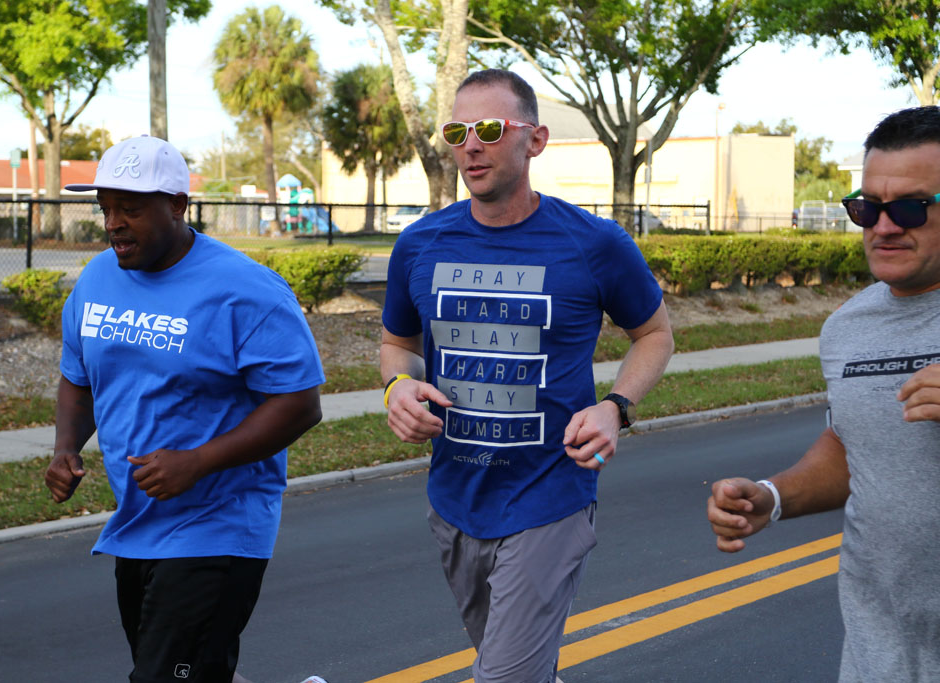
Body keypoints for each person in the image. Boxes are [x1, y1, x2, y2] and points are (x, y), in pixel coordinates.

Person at [380, 69, 674, 682]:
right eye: (457, 131)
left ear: (534, 140)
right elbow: (396, 343)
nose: (470, 145)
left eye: (489, 128)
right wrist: (397, 386)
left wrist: (615, 406)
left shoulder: (593, 243)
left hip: (550, 496)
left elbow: (654, 334)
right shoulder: (420, 244)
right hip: (454, 498)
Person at [44, 135, 325, 683]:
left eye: (130, 208)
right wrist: (64, 449)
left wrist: (196, 462)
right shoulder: (99, 277)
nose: (113, 223)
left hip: (218, 523)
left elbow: (299, 404)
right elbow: (78, 378)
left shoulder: (246, 290)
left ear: (177, 205)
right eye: (105, 208)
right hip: (140, 519)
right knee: (193, 671)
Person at [707, 105, 940, 681]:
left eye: (911, 209)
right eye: (867, 208)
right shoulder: (847, 329)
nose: (885, 227)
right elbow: (855, 445)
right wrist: (772, 496)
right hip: (881, 656)